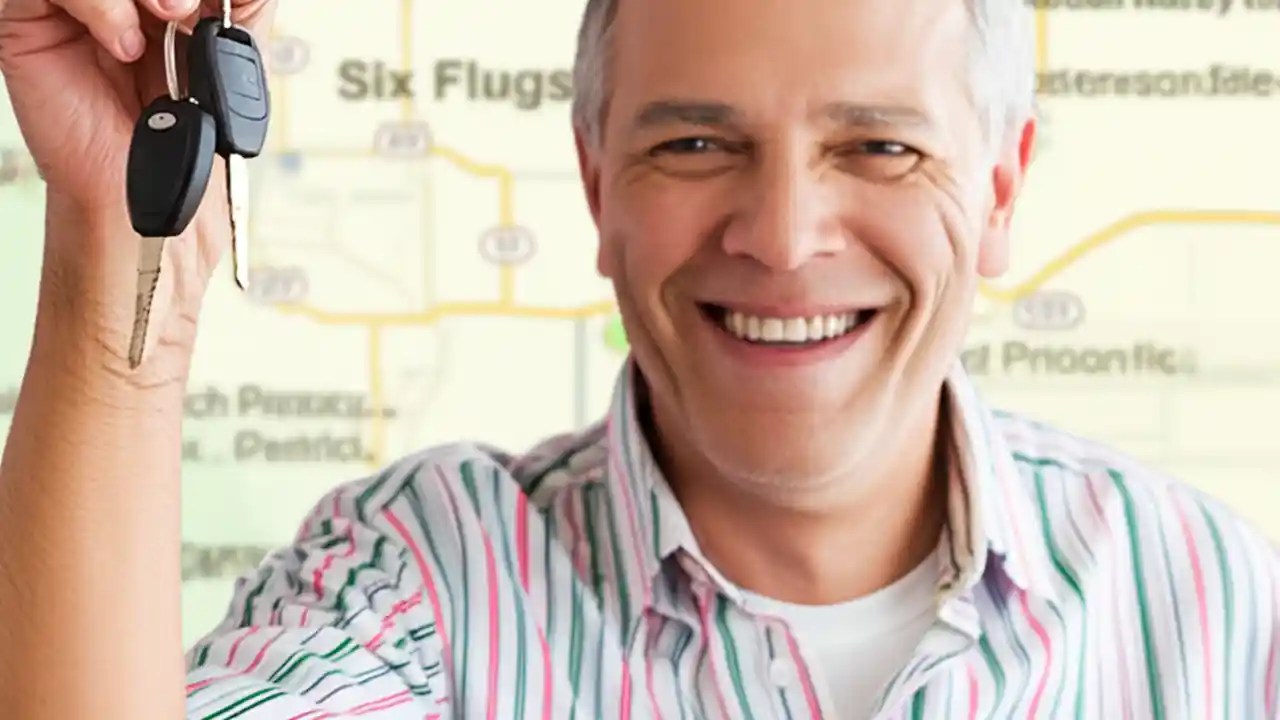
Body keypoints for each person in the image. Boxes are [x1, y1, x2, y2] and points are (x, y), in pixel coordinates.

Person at [1, 0, 1277, 716]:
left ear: (998, 192)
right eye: (694, 146)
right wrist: (124, 237)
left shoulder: (1212, 603)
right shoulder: (422, 584)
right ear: (595, 183)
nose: (780, 240)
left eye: (878, 148)